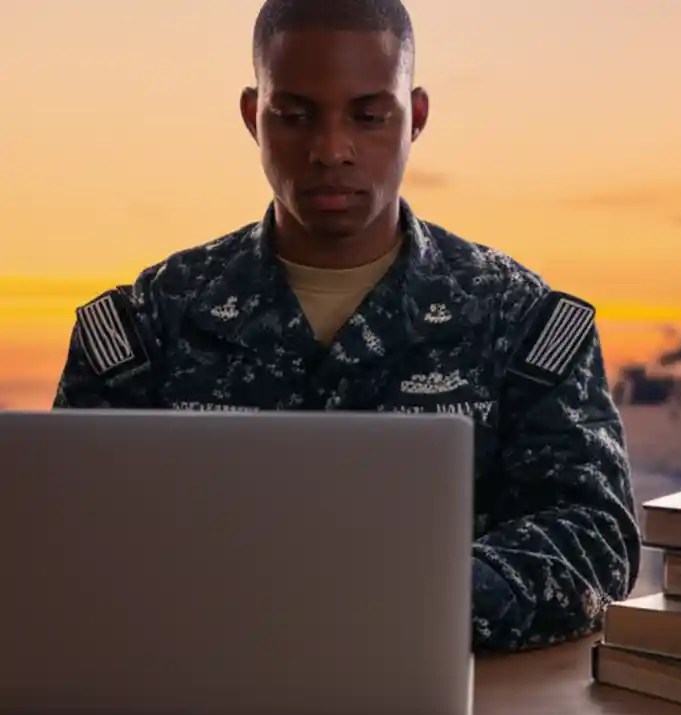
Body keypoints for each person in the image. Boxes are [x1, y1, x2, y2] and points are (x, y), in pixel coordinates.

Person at [50, 0, 640, 652]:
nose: (332, 149)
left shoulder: (522, 324)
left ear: (414, 118)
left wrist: (411, 596)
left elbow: (594, 537)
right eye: (295, 115)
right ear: (254, 117)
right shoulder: (147, 327)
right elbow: (61, 536)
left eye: (368, 116)